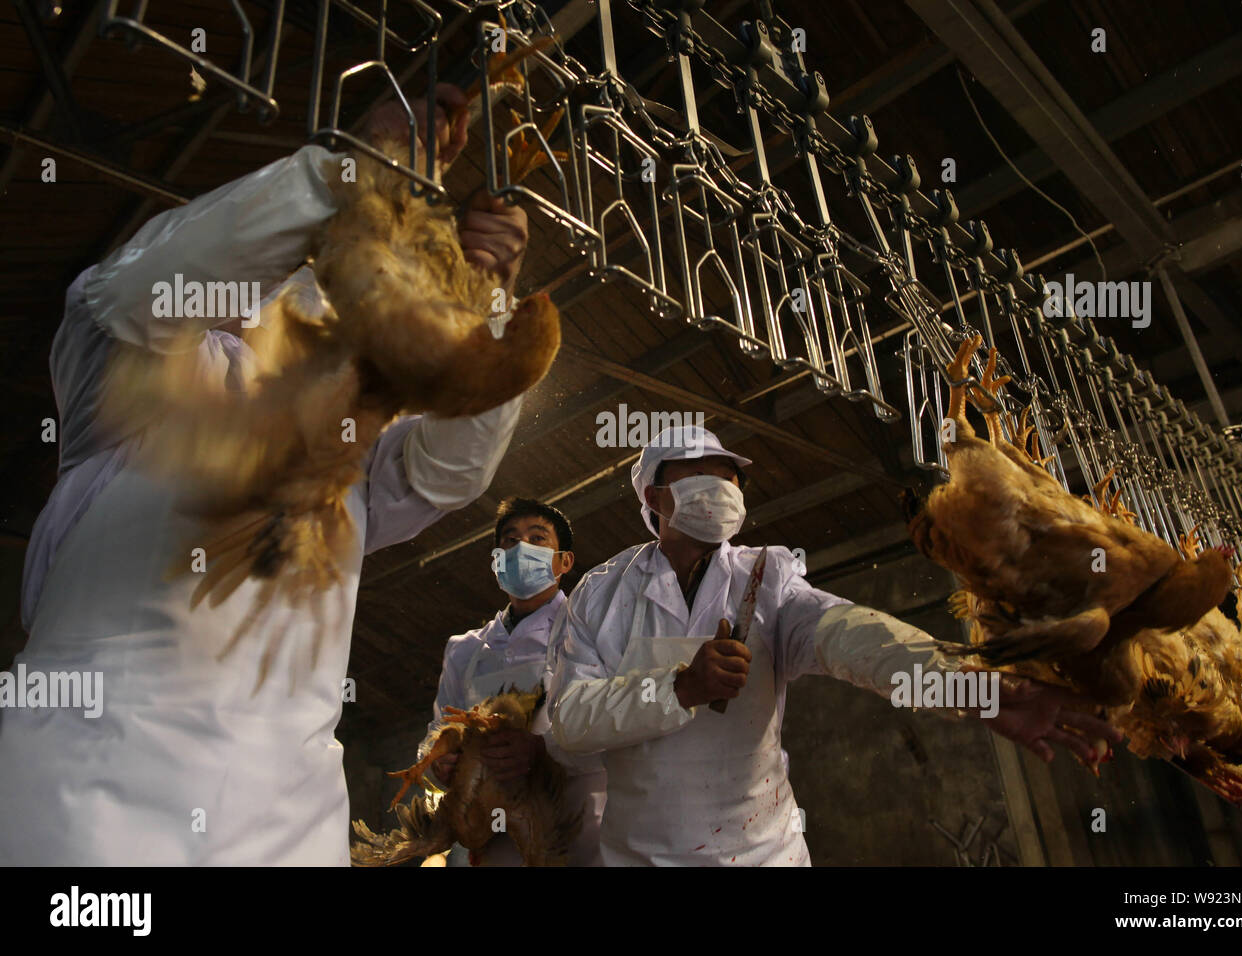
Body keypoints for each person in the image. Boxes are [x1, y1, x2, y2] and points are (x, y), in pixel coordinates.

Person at [0, 86, 534, 865]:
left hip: (284, 825)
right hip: (89, 804)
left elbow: (456, 466)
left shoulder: (346, 459)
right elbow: (142, 289)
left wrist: (489, 303)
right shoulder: (125, 376)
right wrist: (347, 177)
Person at [547, 425, 1123, 866]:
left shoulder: (765, 576)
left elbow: (854, 638)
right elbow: (571, 720)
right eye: (706, 474)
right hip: (642, 858)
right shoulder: (601, 594)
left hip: (763, 855)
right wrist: (679, 686)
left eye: (731, 477)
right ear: (657, 496)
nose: (726, 489)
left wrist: (974, 687)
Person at [417, 497, 605, 866]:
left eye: (538, 539)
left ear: (564, 561)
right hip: (487, 843)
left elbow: (616, 729)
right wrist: (440, 762)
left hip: (574, 833)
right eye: (510, 541)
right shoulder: (464, 650)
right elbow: (437, 733)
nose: (522, 549)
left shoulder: (591, 630)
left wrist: (543, 750)